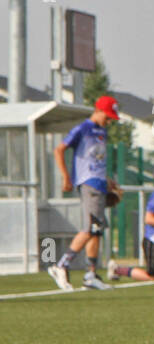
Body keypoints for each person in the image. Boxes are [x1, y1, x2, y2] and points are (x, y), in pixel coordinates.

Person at [48, 94, 120, 292]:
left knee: (97, 230)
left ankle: (90, 275)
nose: (109, 120)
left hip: (99, 184)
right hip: (88, 184)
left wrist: (107, 180)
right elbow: (59, 150)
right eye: (107, 116)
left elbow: (94, 160)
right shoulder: (83, 129)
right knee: (91, 228)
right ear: (98, 110)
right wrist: (66, 177)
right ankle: (61, 265)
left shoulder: (102, 132)